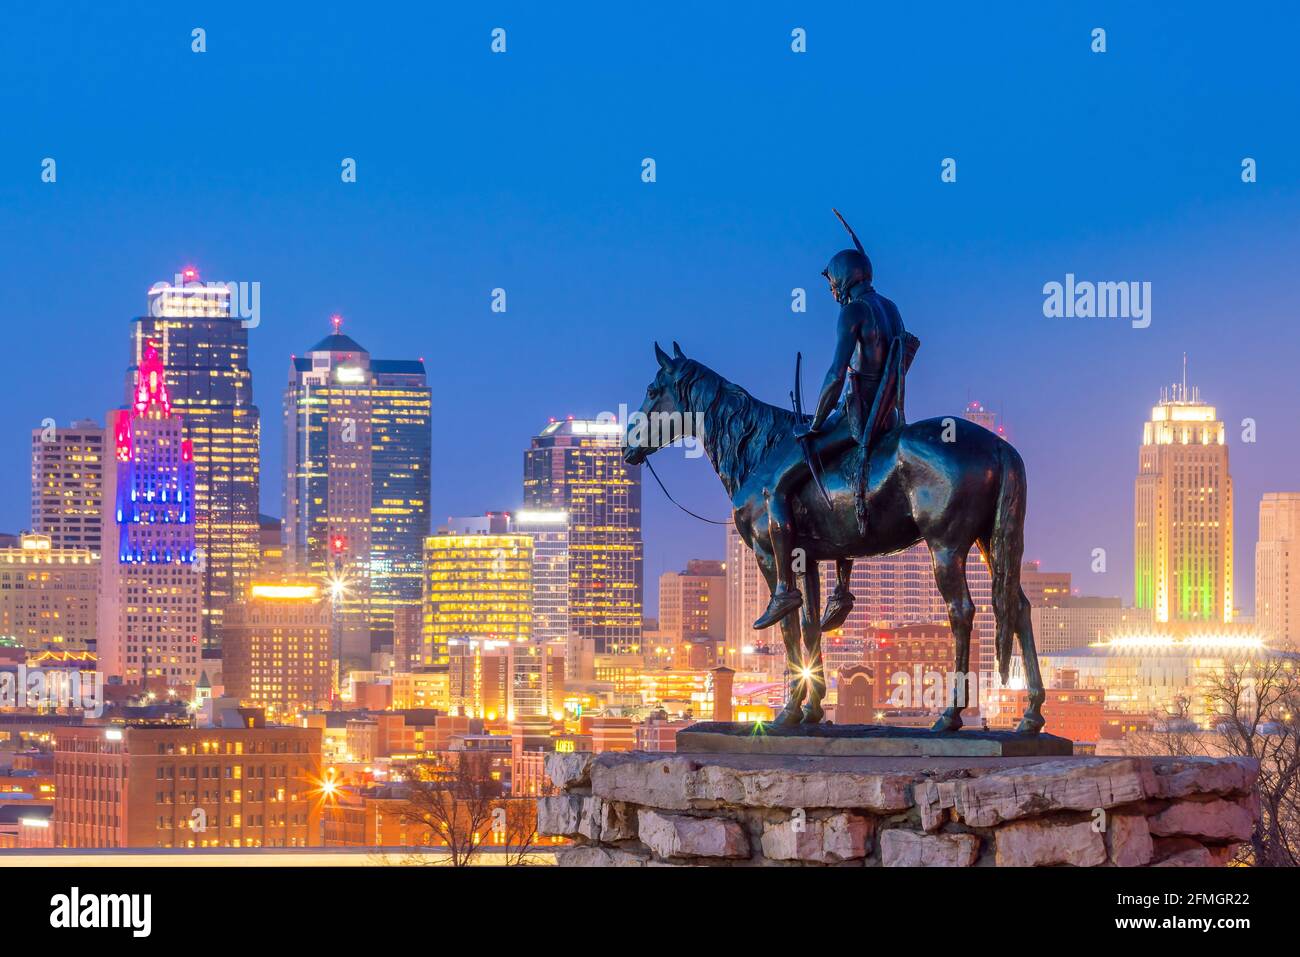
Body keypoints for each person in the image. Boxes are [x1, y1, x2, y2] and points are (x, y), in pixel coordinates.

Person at [753, 211, 919, 631]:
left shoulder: (854, 313)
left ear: (844, 278)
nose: (830, 292)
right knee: (834, 479)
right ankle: (841, 589)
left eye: (831, 284)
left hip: (857, 418)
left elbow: (836, 374)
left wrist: (816, 421)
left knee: (779, 484)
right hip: (891, 418)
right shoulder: (891, 309)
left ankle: (785, 589)